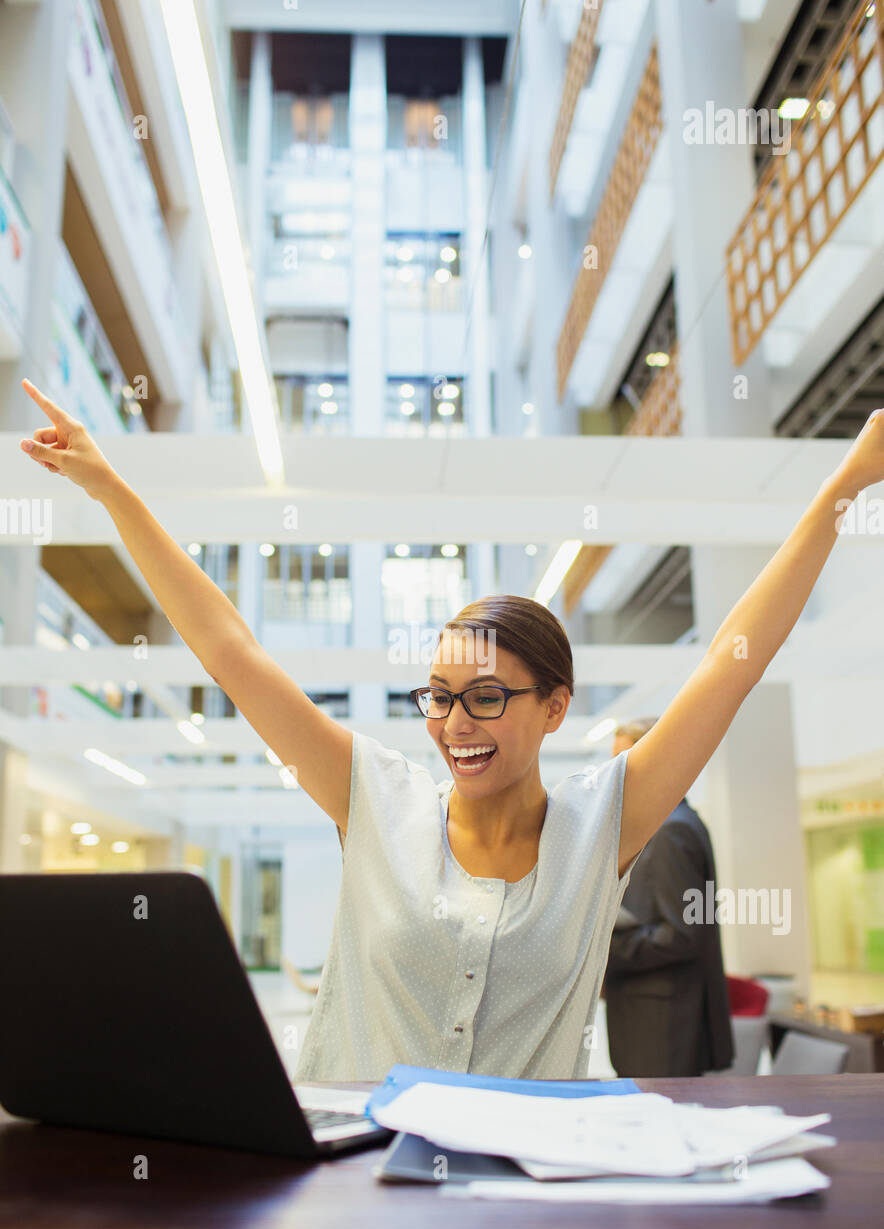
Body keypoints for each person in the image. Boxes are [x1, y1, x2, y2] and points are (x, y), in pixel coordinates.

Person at [17, 379, 884, 1080]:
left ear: (554, 707)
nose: (454, 725)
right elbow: (233, 653)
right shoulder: (375, 800)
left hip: (523, 1209)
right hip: (352, 1198)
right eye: (438, 696)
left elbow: (728, 668)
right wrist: (110, 489)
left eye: (486, 698)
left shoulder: (603, 826)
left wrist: (842, 491)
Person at [602, 718, 734, 1078]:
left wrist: (602, 947)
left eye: (623, 760)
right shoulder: (672, 822)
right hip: (659, 1020)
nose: (615, 773)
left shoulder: (671, 830)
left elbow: (679, 935)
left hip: (662, 1025)